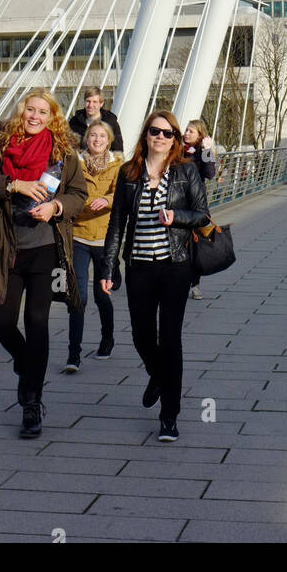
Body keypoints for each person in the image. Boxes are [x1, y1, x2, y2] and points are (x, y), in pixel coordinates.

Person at [0, 90, 87, 438]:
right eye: (30, 110)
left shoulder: (63, 152)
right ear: (21, 112)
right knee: (2, 321)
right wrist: (14, 184)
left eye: (43, 112)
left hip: (47, 248)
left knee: (37, 320)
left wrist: (56, 207)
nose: (35, 117)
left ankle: (32, 402)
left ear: (53, 118)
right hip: (5, 247)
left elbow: (79, 195)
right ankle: (25, 363)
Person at [100, 109, 210, 442]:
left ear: (175, 139)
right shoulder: (128, 173)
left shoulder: (186, 171)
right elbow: (117, 222)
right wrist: (109, 266)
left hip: (175, 264)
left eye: (167, 133)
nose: (160, 138)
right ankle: (158, 375)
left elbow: (203, 215)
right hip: (139, 267)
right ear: (145, 135)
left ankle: (169, 416)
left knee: (170, 338)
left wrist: (176, 216)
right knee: (141, 334)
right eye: (154, 131)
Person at [62, 118, 122, 372]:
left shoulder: (118, 165)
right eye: (93, 135)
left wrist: (107, 201)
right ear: (86, 138)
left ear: (109, 141)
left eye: (102, 136)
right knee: (78, 297)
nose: (97, 140)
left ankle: (107, 339)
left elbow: (121, 193)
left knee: (101, 295)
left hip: (105, 237)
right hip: (79, 235)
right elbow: (68, 190)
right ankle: (73, 354)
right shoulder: (74, 162)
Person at [182, 119, 216, 300]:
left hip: (196, 205)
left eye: (191, 131)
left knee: (195, 246)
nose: (186, 133)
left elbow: (210, 174)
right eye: (186, 130)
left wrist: (208, 150)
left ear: (200, 136)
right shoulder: (177, 150)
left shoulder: (203, 153)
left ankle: (195, 285)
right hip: (177, 205)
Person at [69, 85, 124, 154]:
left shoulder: (111, 122)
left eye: (94, 102)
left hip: (105, 162)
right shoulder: (74, 122)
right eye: (88, 101)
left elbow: (118, 149)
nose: (90, 105)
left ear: (101, 103)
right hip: (81, 162)